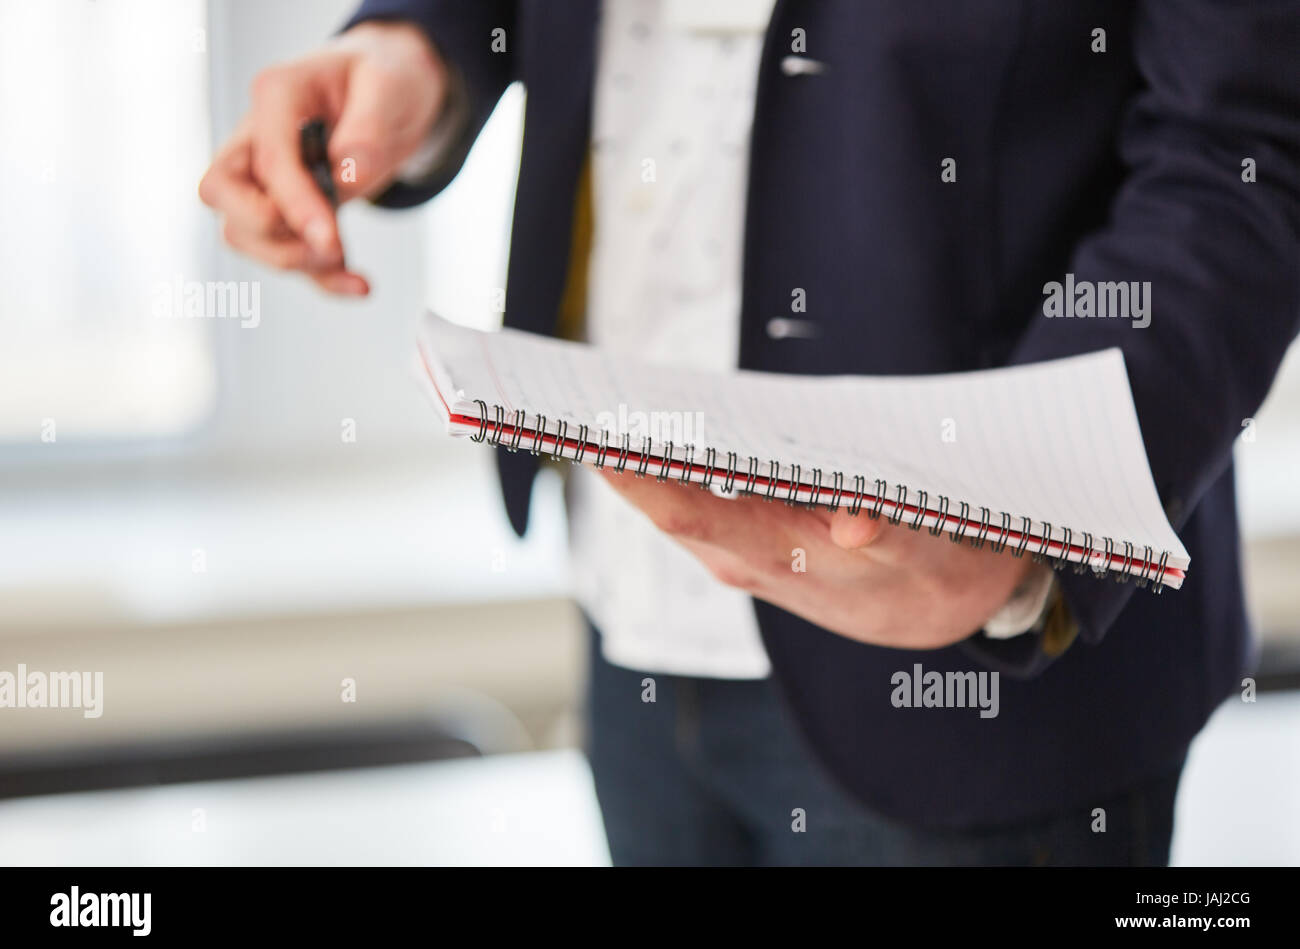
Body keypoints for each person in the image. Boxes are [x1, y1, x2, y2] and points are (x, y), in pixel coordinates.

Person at [199, 1, 1300, 865]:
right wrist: (420, 42)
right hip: (626, 597)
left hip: (983, 682)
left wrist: (1033, 510)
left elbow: (1245, 148)